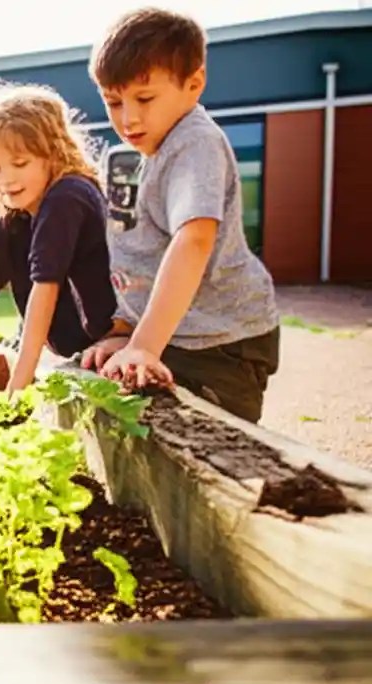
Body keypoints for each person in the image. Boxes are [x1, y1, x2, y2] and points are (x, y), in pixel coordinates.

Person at [81, 7, 281, 422]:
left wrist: (145, 347)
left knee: (210, 444)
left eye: (144, 98)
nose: (127, 118)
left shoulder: (195, 144)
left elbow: (194, 240)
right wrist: (126, 333)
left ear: (194, 84)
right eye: (113, 102)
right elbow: (131, 256)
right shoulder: (127, 158)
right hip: (173, 333)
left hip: (221, 340)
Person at [0, 79, 116, 393]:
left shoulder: (67, 196)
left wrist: (16, 393)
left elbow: (45, 292)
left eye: (20, 163)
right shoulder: (16, 216)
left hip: (106, 346)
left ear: (54, 154)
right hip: (69, 352)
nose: (7, 179)